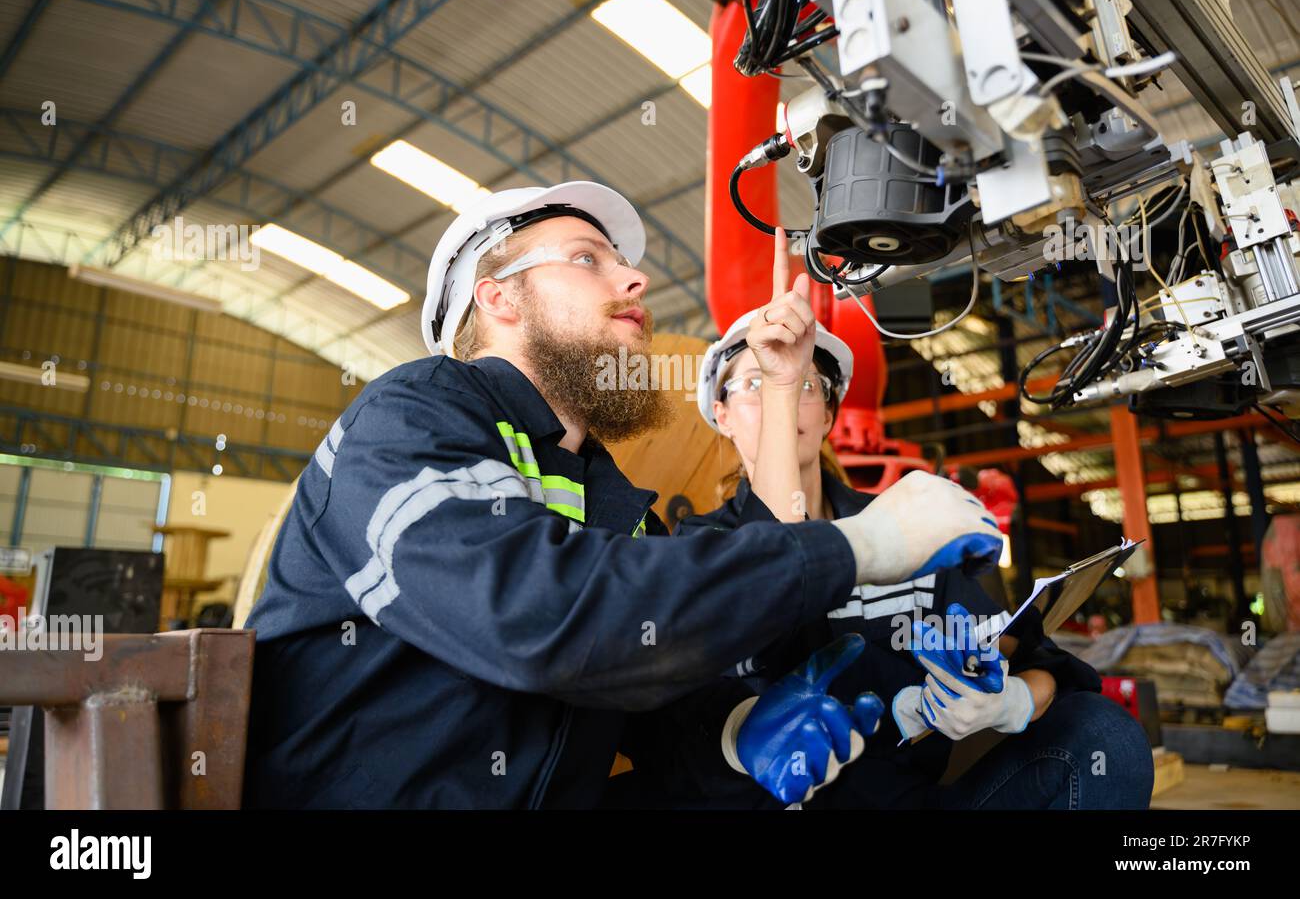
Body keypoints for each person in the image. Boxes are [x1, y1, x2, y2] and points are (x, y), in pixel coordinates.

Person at [241, 183, 1003, 808]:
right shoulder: (413, 417)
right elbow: (537, 616)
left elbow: (632, 679)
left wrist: (735, 731)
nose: (635, 279)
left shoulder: (605, 495)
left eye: (624, 262)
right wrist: (861, 545)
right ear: (499, 300)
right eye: (587, 258)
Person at [607, 228, 1154, 809]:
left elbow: (1035, 655)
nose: (781, 400)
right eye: (755, 384)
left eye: (803, 385)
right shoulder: (699, 548)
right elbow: (670, 731)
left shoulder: (910, 529)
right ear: (721, 415)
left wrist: (1008, 701)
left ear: (828, 414)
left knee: (1102, 736)